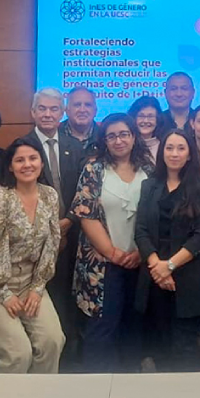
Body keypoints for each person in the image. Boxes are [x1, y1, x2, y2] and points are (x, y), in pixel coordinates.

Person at [70, 113, 153, 372]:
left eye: (124, 134)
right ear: (104, 140)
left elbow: (157, 215)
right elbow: (86, 215)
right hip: (102, 265)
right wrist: (113, 253)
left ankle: (129, 392)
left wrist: (140, 252)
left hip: (140, 262)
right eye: (112, 136)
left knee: (134, 325)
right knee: (102, 328)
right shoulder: (94, 169)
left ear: (134, 136)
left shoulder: (148, 169)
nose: (118, 141)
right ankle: (97, 393)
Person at [0, 138, 66, 373]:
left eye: (33, 158)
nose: (27, 164)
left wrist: (37, 287)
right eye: (20, 160)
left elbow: (53, 242)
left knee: (52, 342)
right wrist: (4, 293)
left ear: (41, 163)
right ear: (10, 166)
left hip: (31, 282)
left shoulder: (49, 195)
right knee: (18, 354)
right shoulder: (0, 197)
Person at [135, 128, 200, 371]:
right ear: (162, 153)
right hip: (154, 279)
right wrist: (157, 267)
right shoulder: (149, 186)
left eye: (181, 148)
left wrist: (169, 266)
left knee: (185, 351)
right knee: (158, 348)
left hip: (188, 279)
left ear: (190, 154)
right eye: (169, 148)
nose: (174, 153)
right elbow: (140, 230)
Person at [27, 88, 83, 362]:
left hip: (76, 235)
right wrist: (51, 228)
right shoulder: (23, 147)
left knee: (75, 299)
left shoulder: (76, 147)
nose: (48, 114)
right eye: (42, 109)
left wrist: (69, 221)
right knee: (51, 299)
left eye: (53, 109)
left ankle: (74, 356)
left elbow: (84, 190)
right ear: (33, 112)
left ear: (62, 113)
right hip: (38, 242)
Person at [59, 86, 100, 153]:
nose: (82, 110)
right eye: (77, 105)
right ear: (67, 110)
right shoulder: (54, 136)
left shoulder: (104, 137)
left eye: (87, 105)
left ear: (95, 111)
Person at [128, 94, 164, 160]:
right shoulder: (125, 146)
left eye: (150, 116)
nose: (145, 121)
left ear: (158, 120)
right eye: (141, 116)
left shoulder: (165, 147)